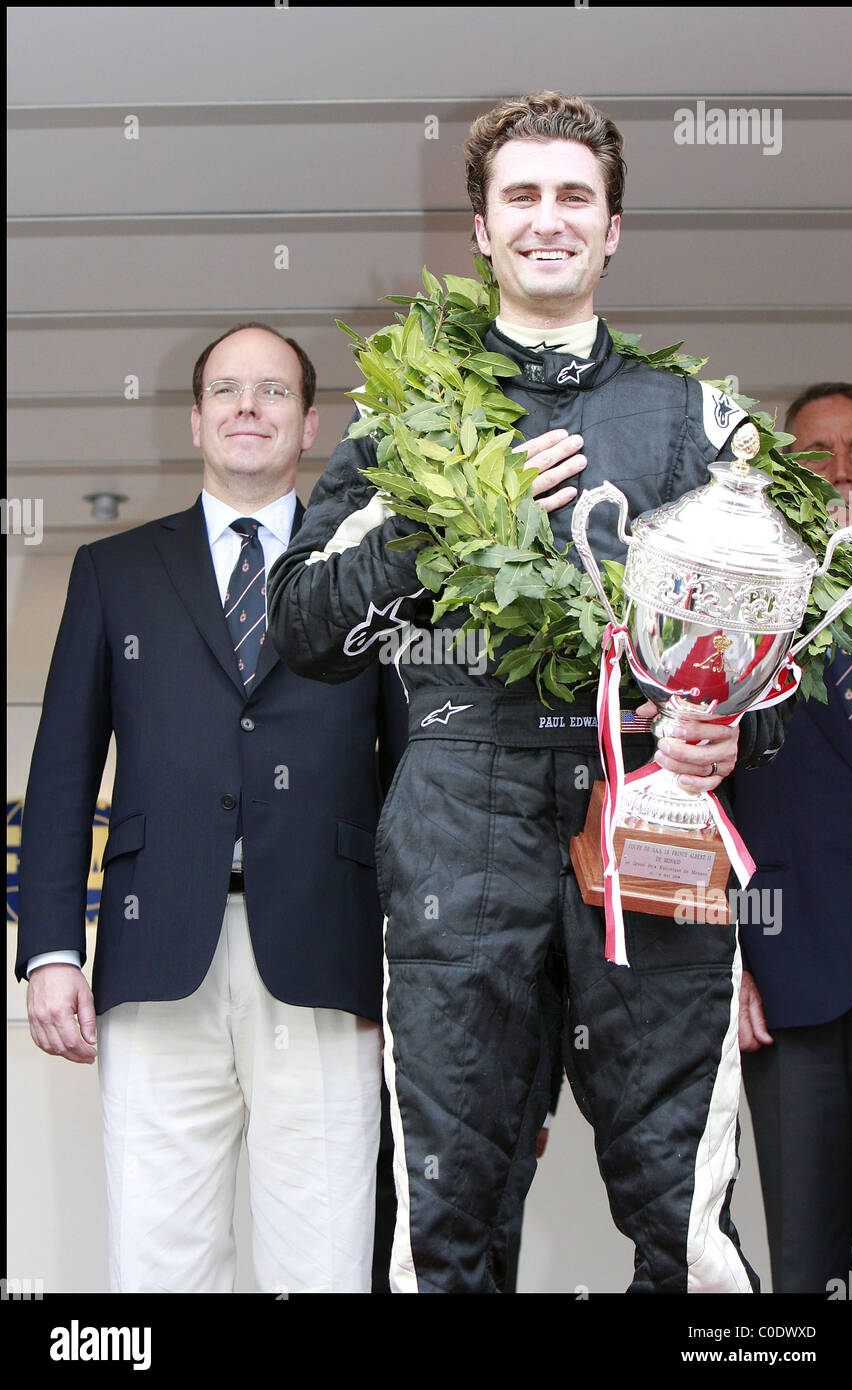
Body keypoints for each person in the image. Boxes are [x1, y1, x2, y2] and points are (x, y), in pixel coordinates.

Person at [267, 92, 790, 1294]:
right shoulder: (409, 419)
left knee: (687, 1223)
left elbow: (766, 655)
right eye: (521, 196)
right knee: (445, 1230)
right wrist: (456, 514)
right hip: (460, 820)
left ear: (612, 231)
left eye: (573, 198)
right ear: (480, 229)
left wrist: (724, 728)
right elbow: (303, 625)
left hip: (648, 818)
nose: (546, 219)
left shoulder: (694, 421)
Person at [15, 322, 408, 1294]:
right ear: (194, 418)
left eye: (271, 392)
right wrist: (52, 948)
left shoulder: (370, 571)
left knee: (319, 1261)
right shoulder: (114, 571)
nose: (247, 407)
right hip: (156, 957)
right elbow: (63, 767)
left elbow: (411, 777)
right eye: (226, 390)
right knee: (159, 1257)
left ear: (309, 421)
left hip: (327, 952)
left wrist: (420, 963)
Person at [732, 383, 852, 1294]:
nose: (844, 472)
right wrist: (721, 954)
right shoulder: (740, 605)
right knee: (802, 1277)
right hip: (788, 975)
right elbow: (690, 793)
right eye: (819, 455)